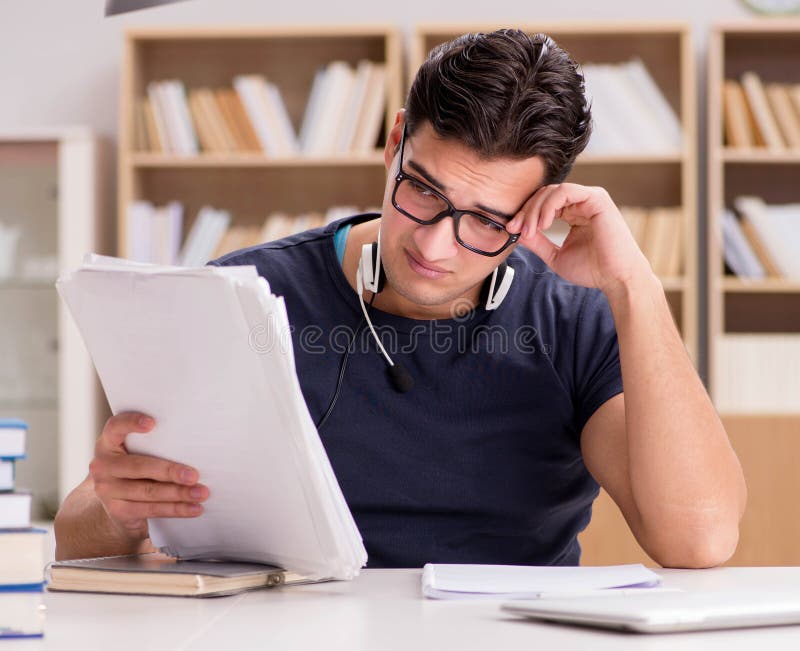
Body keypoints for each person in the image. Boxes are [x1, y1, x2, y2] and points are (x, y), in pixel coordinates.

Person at [54, 29, 746, 568]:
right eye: (423, 191)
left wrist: (637, 286)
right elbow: (81, 535)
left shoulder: (575, 317)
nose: (436, 247)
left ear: (537, 212)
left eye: (485, 220)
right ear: (393, 142)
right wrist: (119, 508)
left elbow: (700, 537)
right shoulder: (238, 296)